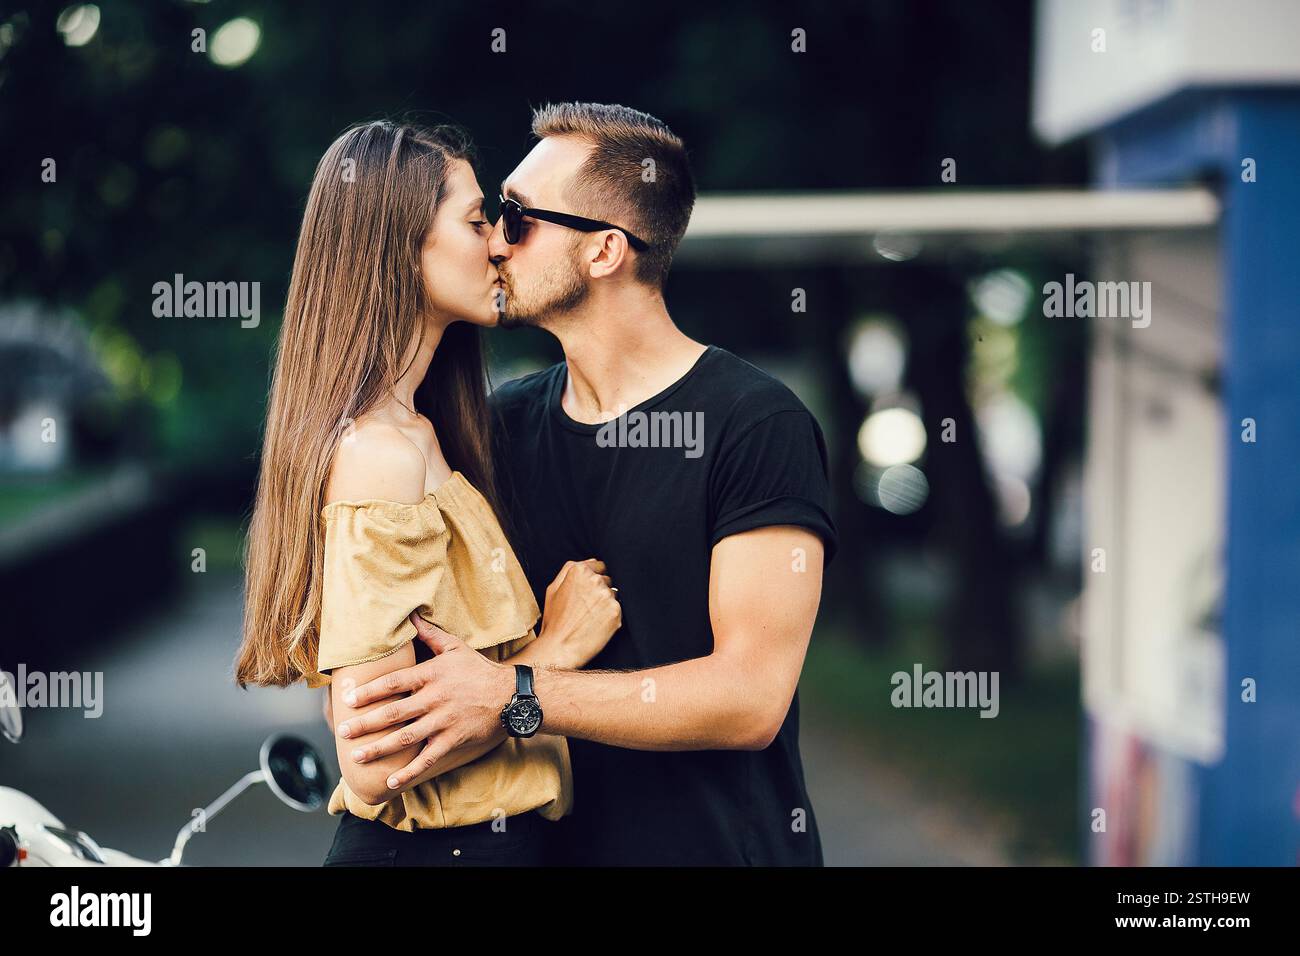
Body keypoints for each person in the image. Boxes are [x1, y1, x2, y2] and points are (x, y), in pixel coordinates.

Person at [338, 103, 837, 865]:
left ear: (605, 252)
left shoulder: (756, 423)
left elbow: (749, 698)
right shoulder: (489, 433)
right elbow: (402, 695)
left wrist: (518, 695)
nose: (496, 240)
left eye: (520, 218)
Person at [234, 119, 621, 866]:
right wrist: (554, 654)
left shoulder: (425, 431)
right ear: (398, 245)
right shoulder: (378, 453)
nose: (500, 243)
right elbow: (374, 768)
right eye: (478, 220)